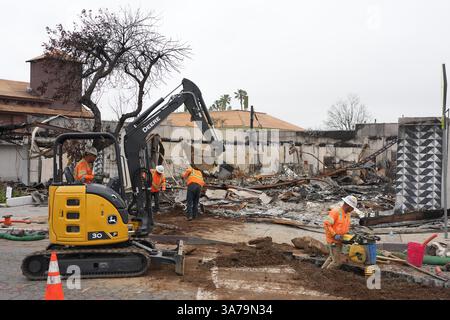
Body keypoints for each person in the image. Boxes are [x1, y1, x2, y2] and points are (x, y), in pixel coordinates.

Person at [321, 195, 359, 270]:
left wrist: (347, 236)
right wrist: (334, 235)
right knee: (336, 262)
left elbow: (343, 226)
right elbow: (326, 224)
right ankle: (326, 274)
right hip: (333, 240)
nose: (352, 209)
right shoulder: (335, 212)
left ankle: (322, 271)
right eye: (352, 208)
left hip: (340, 239)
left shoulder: (347, 214)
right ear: (348, 205)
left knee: (332, 257)